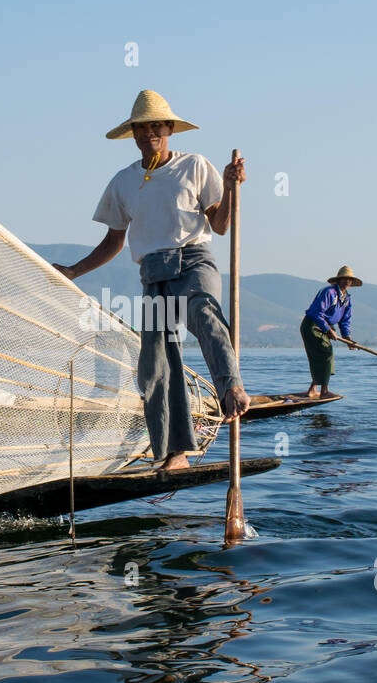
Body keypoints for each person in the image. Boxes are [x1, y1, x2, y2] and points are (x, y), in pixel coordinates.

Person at [53, 90, 250, 470]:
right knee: (155, 365)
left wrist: (230, 187)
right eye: (142, 129)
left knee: (203, 312)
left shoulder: (194, 165)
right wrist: (74, 271)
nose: (149, 135)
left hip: (192, 261)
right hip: (153, 274)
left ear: (170, 129)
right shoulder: (123, 182)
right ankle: (175, 454)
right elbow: (113, 241)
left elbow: (221, 225)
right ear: (134, 134)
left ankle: (231, 388)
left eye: (156, 127)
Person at [301, 265, 363, 398]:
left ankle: (313, 389)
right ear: (339, 280)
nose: (347, 282)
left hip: (324, 327)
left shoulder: (347, 299)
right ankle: (324, 391)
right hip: (312, 325)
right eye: (344, 279)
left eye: (349, 280)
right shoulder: (329, 292)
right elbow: (316, 312)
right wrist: (327, 329)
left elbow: (345, 321)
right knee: (325, 352)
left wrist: (348, 340)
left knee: (322, 356)